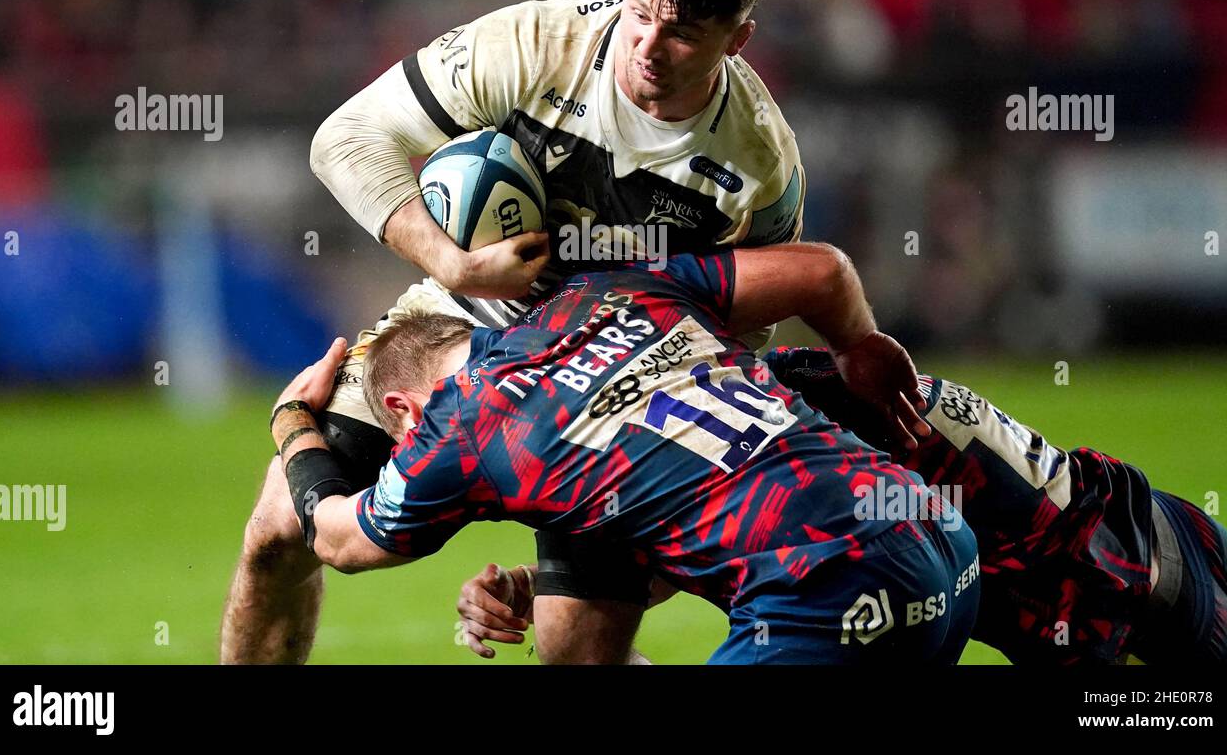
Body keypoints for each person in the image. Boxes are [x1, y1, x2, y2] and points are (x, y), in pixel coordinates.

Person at [223, 0, 822, 663]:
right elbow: (347, 137)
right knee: (277, 530)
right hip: (462, 325)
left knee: (574, 653)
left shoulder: (761, 167)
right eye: (638, 11)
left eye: (681, 34)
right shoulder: (534, 44)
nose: (646, 45)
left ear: (736, 39)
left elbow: (739, 341)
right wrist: (454, 262)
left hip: (617, 384)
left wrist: (637, 560)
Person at [267, 244, 978, 664]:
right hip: (944, 540)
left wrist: (295, 424)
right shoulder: (614, 289)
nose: (409, 453)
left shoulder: (460, 421)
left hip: (831, 588)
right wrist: (857, 344)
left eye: (402, 441)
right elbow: (821, 271)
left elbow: (339, 539)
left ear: (402, 410)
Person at [458, 348, 1227, 666]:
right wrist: (552, 584)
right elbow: (729, 534)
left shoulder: (801, 417)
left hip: (1143, 584)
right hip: (1132, 554)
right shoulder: (744, 417)